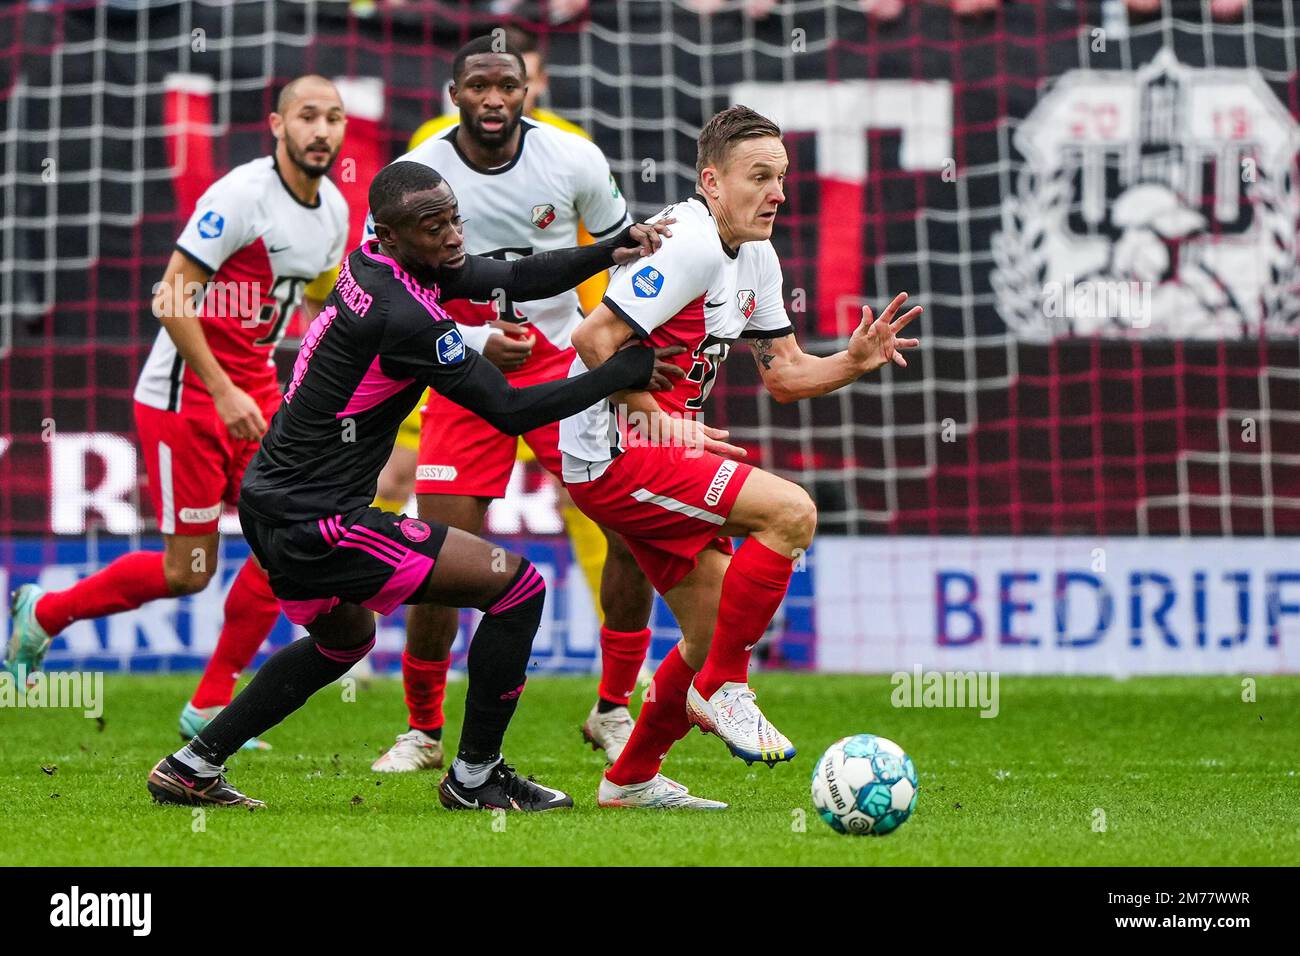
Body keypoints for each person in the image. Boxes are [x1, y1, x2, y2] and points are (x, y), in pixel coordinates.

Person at [145, 161, 683, 811]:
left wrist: (606, 250)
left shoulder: (381, 260)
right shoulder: (403, 316)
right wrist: (619, 370)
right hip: (319, 519)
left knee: (344, 641)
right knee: (517, 586)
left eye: (454, 218)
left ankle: (191, 766)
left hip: (275, 503)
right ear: (393, 234)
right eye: (437, 228)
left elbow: (508, 275)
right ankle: (477, 776)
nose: (454, 237)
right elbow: (509, 411)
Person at [558, 105, 922, 809]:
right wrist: (659, 419)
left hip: (657, 446)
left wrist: (851, 361)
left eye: (782, 177)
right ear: (712, 183)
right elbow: (591, 339)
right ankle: (723, 689)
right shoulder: (686, 242)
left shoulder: (755, 252)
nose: (777, 192)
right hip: (611, 453)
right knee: (791, 513)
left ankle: (628, 779)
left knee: (711, 624)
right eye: (759, 176)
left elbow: (783, 375)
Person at [6, 76, 349, 752]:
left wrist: (307, 389)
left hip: (260, 395)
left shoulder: (335, 208)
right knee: (187, 571)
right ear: (278, 125)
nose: (323, 131)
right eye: (308, 116)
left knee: (293, 544)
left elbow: (314, 303)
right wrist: (223, 390)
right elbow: (171, 296)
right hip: (185, 397)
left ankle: (211, 700)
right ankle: (43, 614)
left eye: (334, 118)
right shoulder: (240, 196)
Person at [365, 35, 656, 775]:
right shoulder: (422, 166)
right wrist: (468, 338)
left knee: (632, 528)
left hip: (558, 366)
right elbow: (398, 280)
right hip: (463, 373)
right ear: (452, 92)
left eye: (507, 86)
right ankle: (424, 730)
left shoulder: (573, 157)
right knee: (435, 560)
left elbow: (627, 253)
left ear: (528, 92)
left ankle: (615, 709)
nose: (493, 99)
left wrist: (608, 341)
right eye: (479, 86)